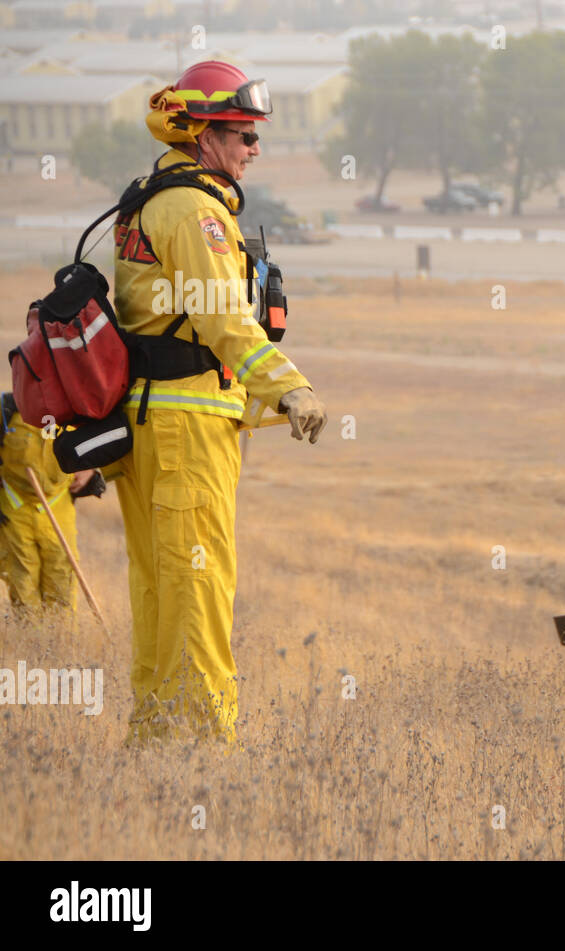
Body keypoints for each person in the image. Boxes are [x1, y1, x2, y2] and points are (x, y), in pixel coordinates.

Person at [114, 61, 326, 744]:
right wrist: (288, 387)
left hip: (160, 424)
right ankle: (204, 746)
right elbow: (224, 321)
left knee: (162, 589)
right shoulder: (194, 210)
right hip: (185, 428)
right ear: (204, 134)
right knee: (197, 589)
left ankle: (156, 739)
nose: (253, 150)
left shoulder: (159, 196)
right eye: (242, 135)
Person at [0, 392, 97, 616]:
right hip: (15, 511)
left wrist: (91, 469)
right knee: (21, 581)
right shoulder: (7, 410)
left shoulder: (78, 407)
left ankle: (60, 641)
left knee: (61, 578)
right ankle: (32, 643)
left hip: (58, 507)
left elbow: (98, 444)